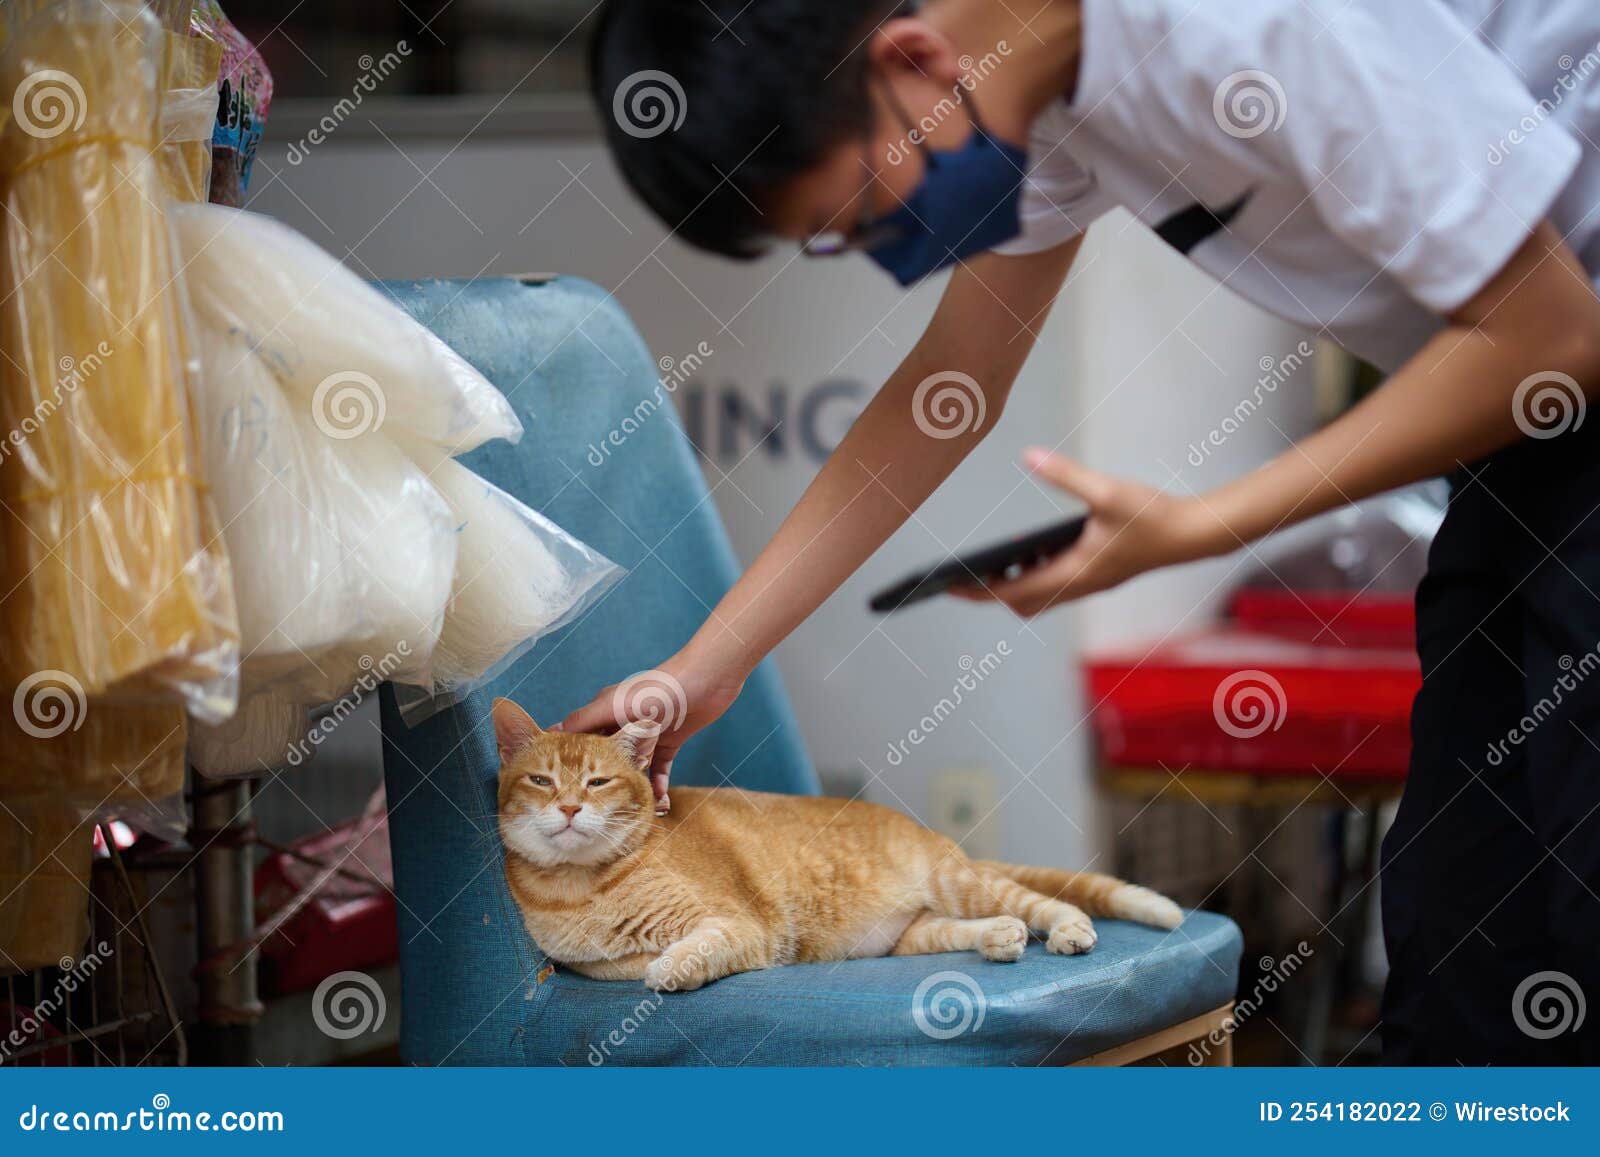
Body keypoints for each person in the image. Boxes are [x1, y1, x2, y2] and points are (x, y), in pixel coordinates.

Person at [565, 0, 1600, 1064]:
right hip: (1528, 435)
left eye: (865, 212)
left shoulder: (1241, 28)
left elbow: (1555, 332)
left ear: (911, 58)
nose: (884, 256)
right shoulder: (1031, 89)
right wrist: (708, 664)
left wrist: (1201, 526)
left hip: (1559, 368)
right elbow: (949, 383)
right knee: (1466, 945)